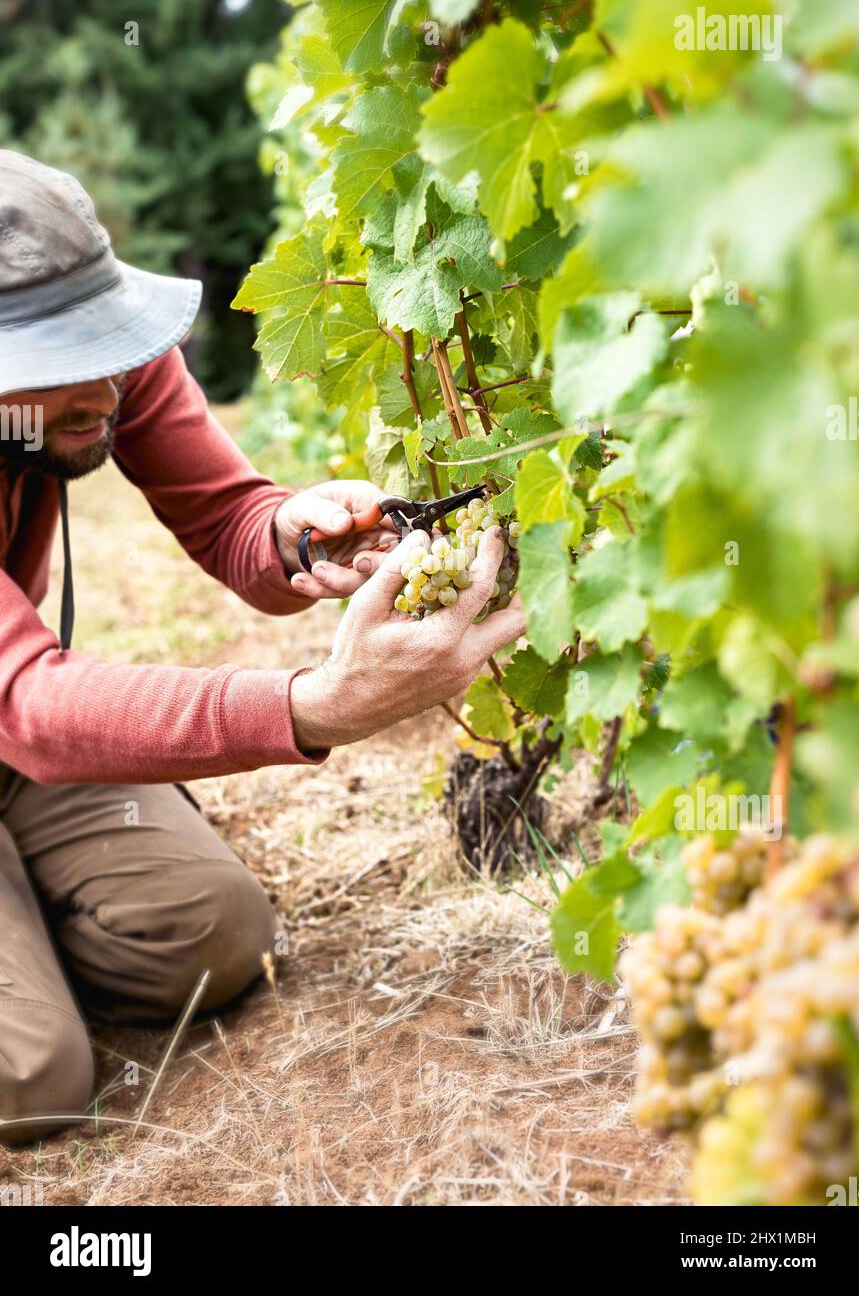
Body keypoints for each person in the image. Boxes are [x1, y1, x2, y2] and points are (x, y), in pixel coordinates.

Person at [0, 150, 524, 1143]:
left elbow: (227, 518)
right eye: (54, 368)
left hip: (12, 739)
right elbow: (26, 701)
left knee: (212, 937)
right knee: (35, 1073)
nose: (103, 390)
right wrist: (313, 706)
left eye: (100, 346)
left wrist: (295, 530)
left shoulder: (106, 361)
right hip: (12, 713)